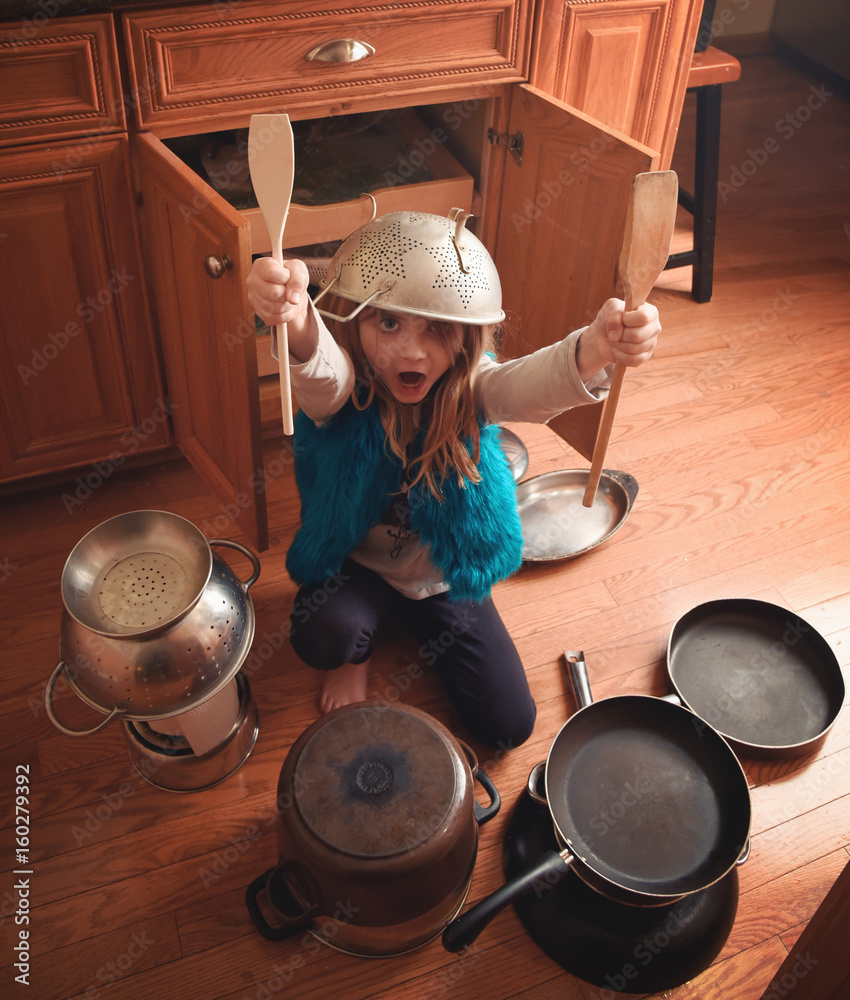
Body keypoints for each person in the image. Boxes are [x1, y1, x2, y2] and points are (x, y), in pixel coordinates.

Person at [246, 210, 660, 749]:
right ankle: (361, 649)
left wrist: (598, 348)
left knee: (510, 724)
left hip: (440, 573)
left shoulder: (474, 388)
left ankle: (414, 621)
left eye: (437, 328)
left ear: (466, 337)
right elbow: (321, 370)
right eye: (388, 323)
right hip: (360, 567)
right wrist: (296, 315)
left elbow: (530, 384)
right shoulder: (347, 388)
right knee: (326, 635)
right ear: (354, 319)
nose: (411, 352)